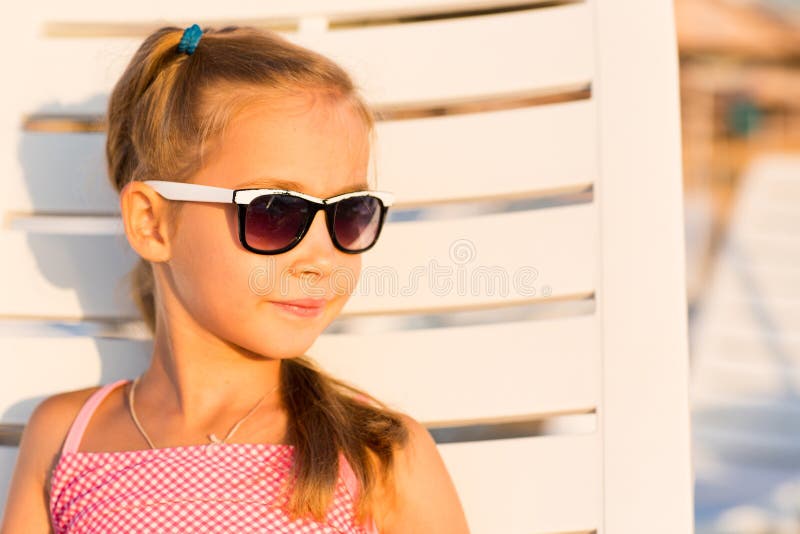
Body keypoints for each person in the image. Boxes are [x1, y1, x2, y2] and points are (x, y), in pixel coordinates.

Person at [1, 24, 470, 533]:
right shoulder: (65, 437)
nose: (321, 257)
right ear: (151, 222)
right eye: (276, 211)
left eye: (348, 212)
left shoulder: (378, 454)